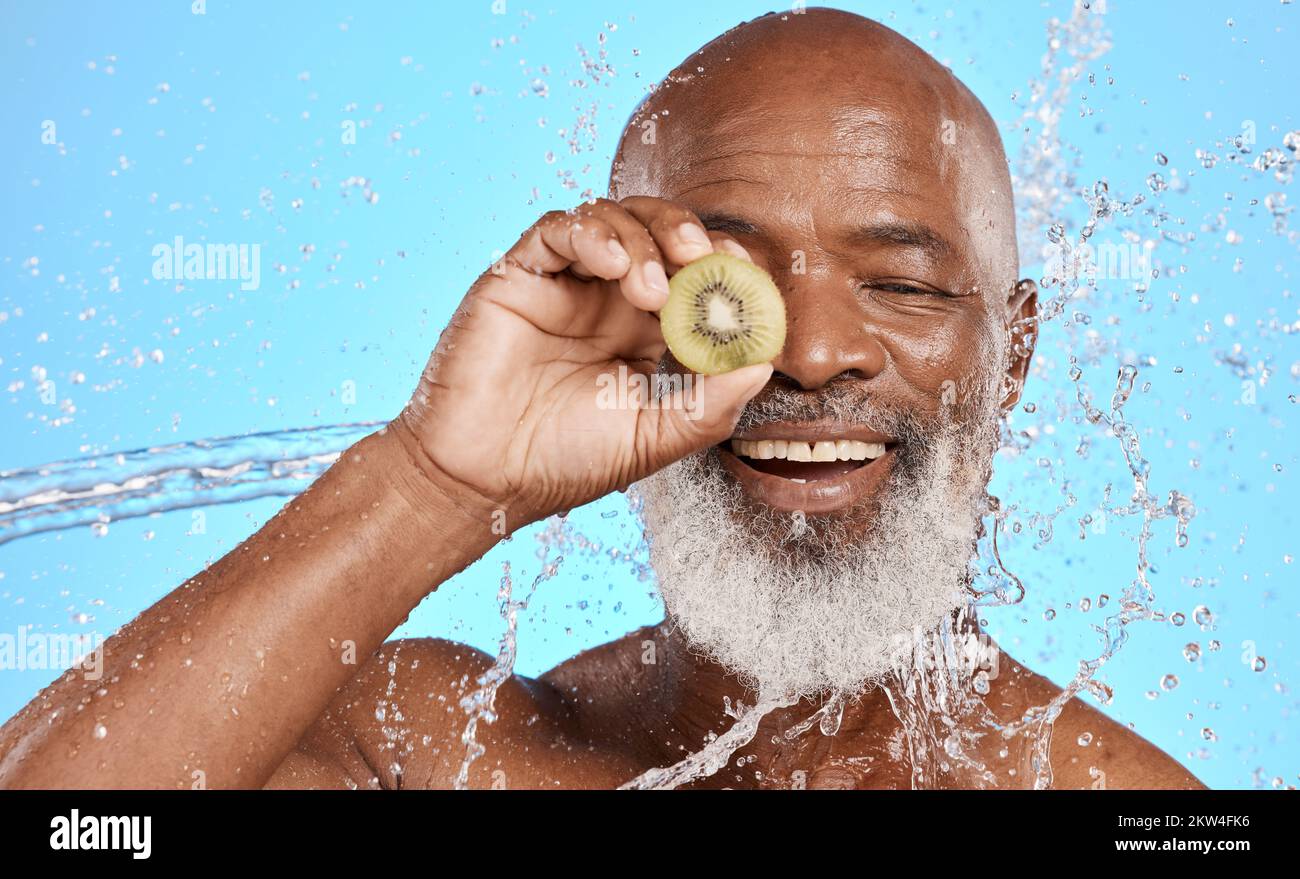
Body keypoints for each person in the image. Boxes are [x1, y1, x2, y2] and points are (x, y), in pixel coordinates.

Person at [0, 8, 1202, 790]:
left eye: (899, 283)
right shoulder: (430, 752)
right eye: (730, 280)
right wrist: (429, 483)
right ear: (640, 316)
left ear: (1011, 356)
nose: (816, 352)